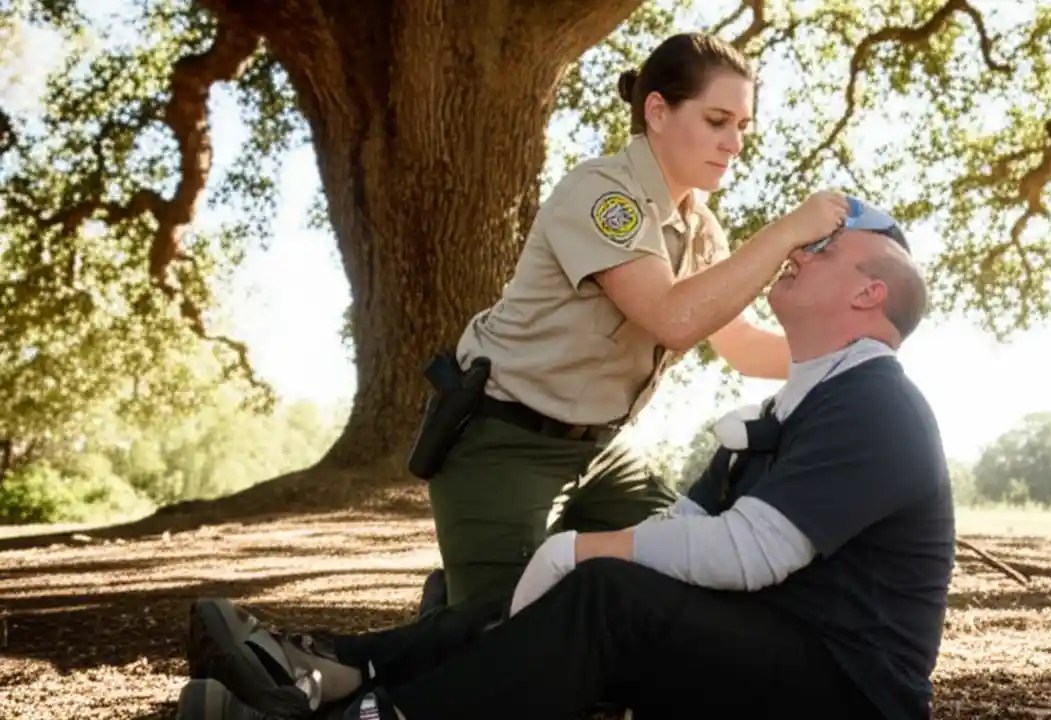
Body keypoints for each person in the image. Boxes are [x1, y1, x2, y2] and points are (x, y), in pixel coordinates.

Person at [176, 206, 957, 720]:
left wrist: (582, 551)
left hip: (850, 692)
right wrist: (573, 562)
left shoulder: (875, 400)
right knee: (566, 586)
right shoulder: (785, 407)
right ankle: (326, 673)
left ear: (868, 295)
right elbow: (683, 526)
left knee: (604, 590)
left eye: (824, 249)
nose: (800, 251)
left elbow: (751, 551)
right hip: (768, 648)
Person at [413, 31, 849, 612]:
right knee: (504, 637)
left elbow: (740, 345)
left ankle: (468, 596)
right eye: (718, 120)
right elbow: (672, 317)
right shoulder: (602, 194)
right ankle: (431, 621)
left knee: (691, 577)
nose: (735, 143)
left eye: (743, 126)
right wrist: (789, 231)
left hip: (602, 452)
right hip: (507, 441)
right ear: (658, 112)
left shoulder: (701, 230)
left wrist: (852, 355)